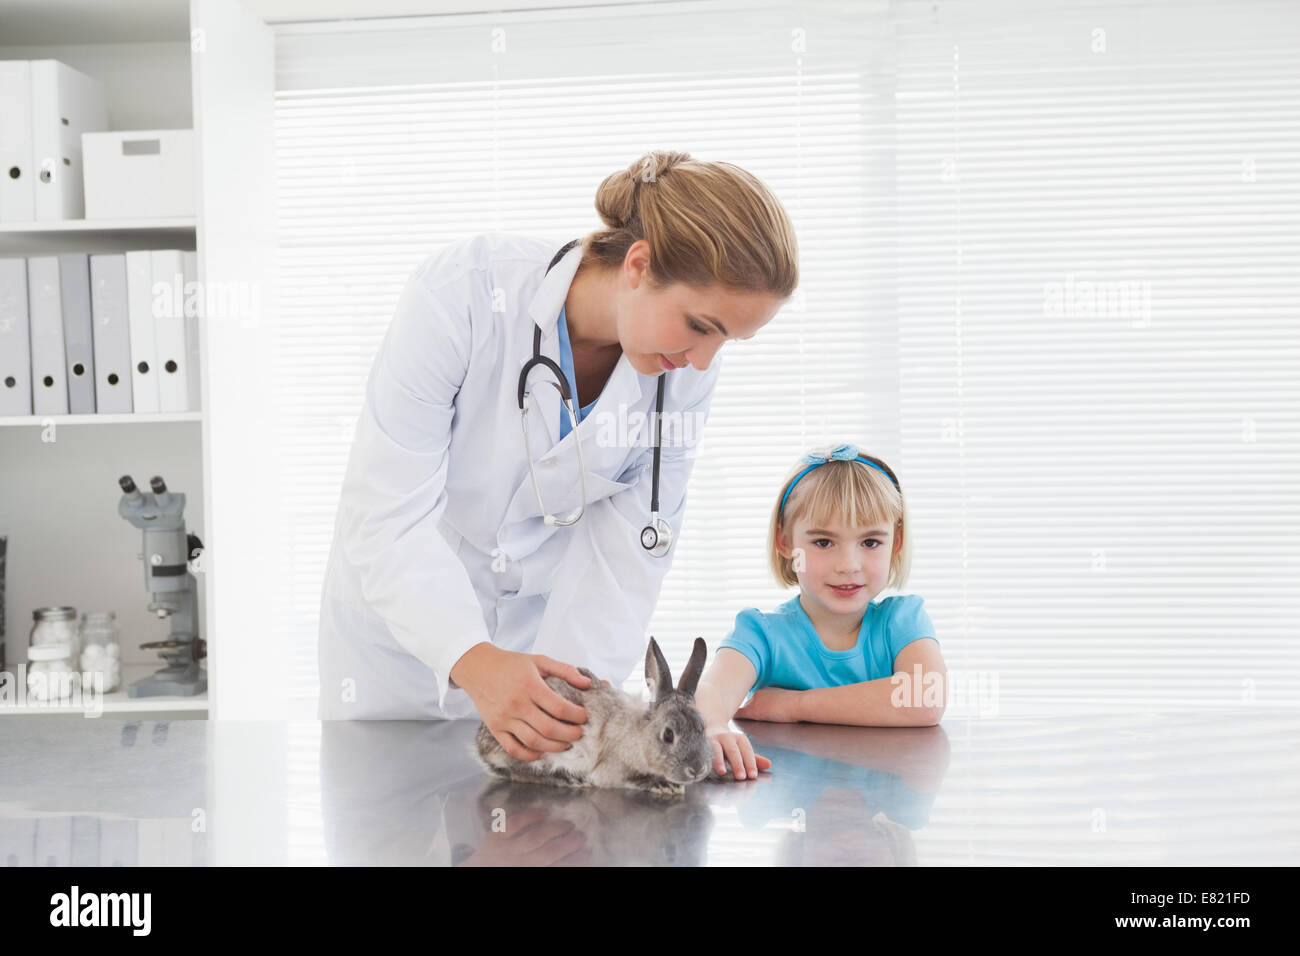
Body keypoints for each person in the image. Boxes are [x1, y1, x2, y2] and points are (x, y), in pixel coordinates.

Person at [317, 150, 799, 766]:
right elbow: (386, 517)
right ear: (639, 264)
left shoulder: (682, 372)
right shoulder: (461, 294)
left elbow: (626, 559)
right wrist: (473, 657)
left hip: (543, 655)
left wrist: (578, 719)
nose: (703, 359)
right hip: (396, 669)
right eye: (700, 325)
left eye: (728, 339)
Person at [693, 443, 947, 780]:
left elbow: (925, 697)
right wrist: (711, 726)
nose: (848, 565)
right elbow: (710, 691)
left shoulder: (901, 621)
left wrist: (793, 706)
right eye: (824, 542)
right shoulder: (761, 634)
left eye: (870, 542)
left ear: (895, 543)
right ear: (785, 542)